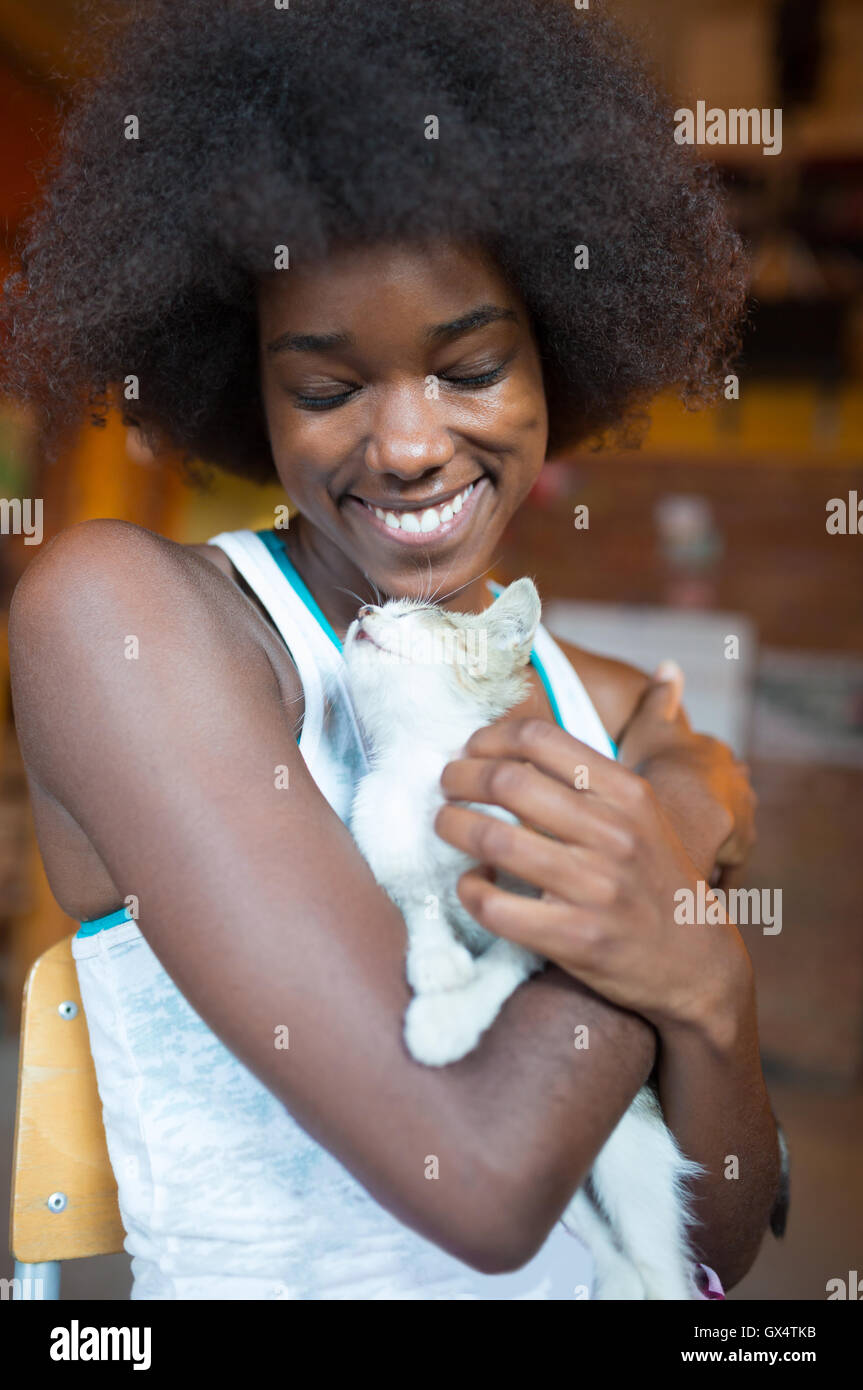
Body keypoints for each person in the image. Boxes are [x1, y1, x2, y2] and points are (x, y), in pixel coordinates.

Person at [3, 0, 783, 1299]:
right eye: (324, 388)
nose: (409, 443)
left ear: (557, 359)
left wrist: (706, 985)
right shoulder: (130, 623)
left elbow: (706, 1254)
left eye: (470, 367)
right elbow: (476, 1182)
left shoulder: (595, 699)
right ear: (241, 387)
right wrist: (676, 838)